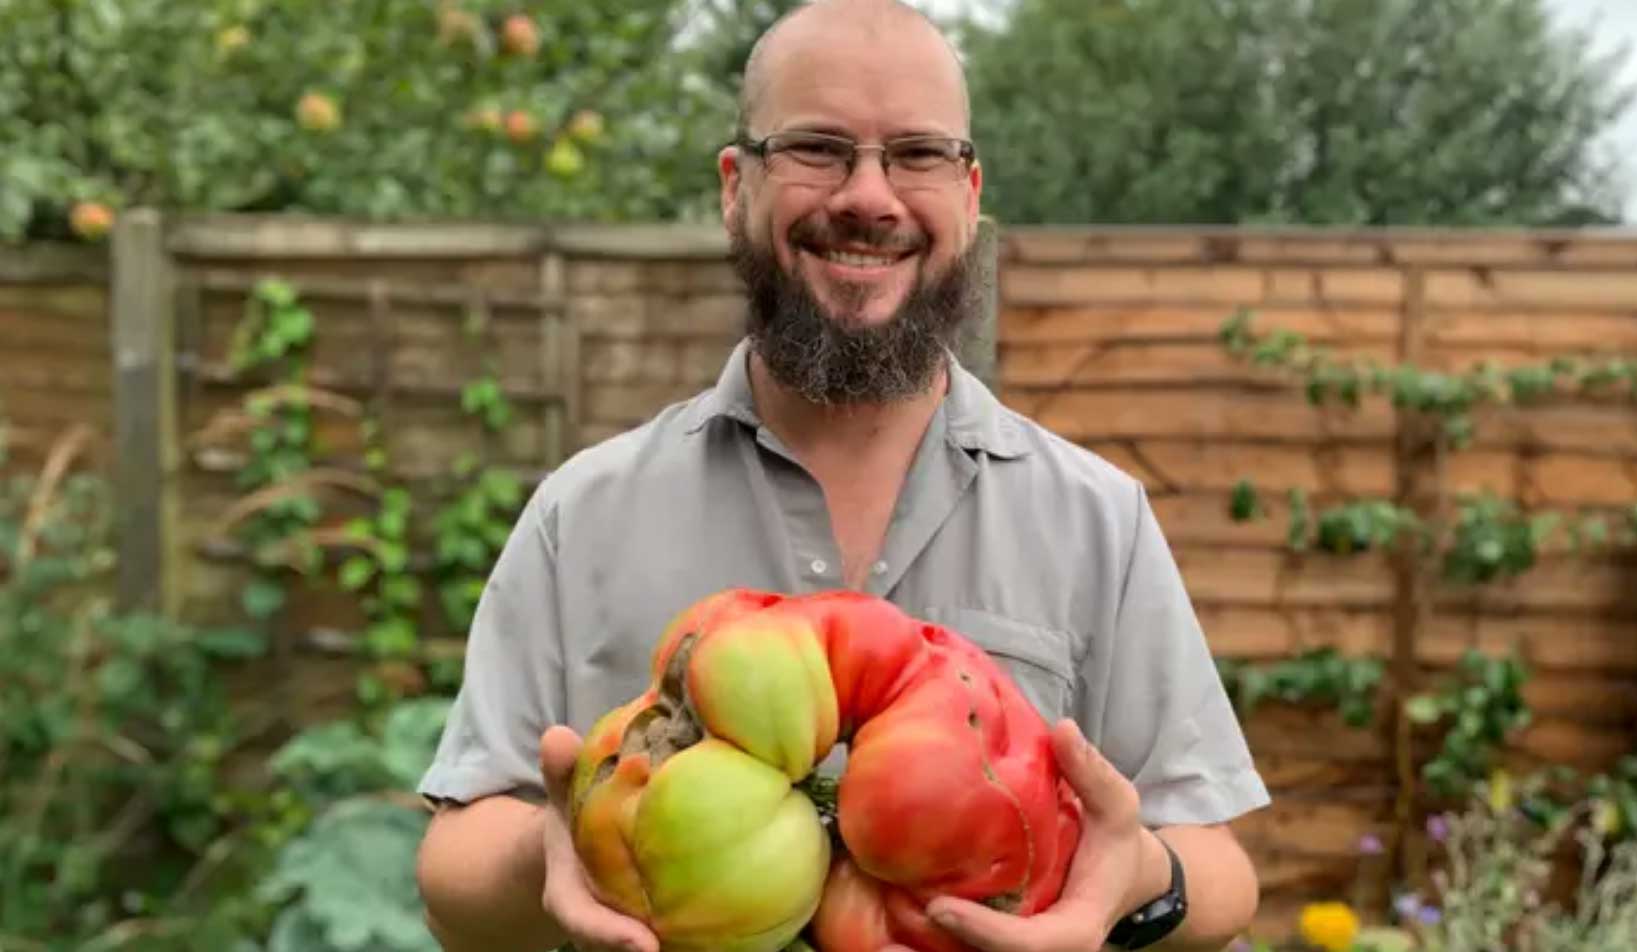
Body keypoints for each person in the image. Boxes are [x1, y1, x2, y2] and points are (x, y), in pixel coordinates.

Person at [414, 1, 1270, 950]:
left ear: (971, 191)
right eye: (818, 148)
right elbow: (454, 874)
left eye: (917, 154)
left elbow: (1221, 869)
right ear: (735, 186)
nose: (870, 197)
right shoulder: (587, 510)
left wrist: (1138, 879)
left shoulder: (1094, 518)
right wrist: (561, 845)